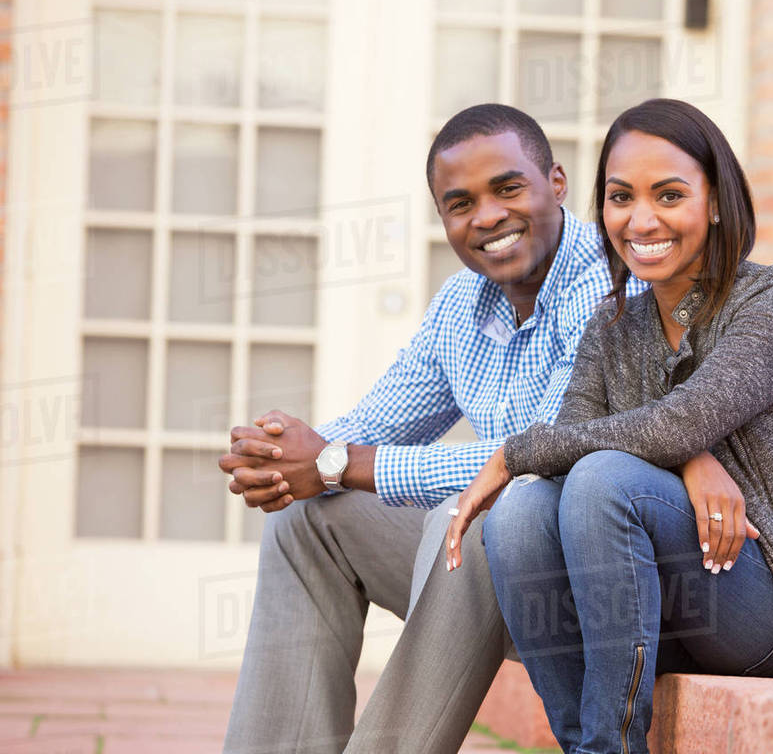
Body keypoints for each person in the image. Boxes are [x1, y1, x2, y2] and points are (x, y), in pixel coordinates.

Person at [444, 98, 773, 754]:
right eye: (621, 197)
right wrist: (684, 460)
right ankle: (584, 745)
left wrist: (515, 452)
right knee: (522, 513)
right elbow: (587, 458)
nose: (641, 219)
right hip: (649, 613)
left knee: (602, 480)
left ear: (717, 202)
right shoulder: (614, 328)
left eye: (668, 195)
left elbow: (676, 423)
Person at [218, 104, 640, 754]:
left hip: (591, 592)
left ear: (556, 182)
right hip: (491, 595)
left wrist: (331, 461)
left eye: (508, 188)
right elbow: (372, 423)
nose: (488, 217)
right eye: (460, 203)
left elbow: (533, 456)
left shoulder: (608, 287)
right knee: (310, 516)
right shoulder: (461, 307)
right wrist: (282, 456)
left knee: (483, 511)